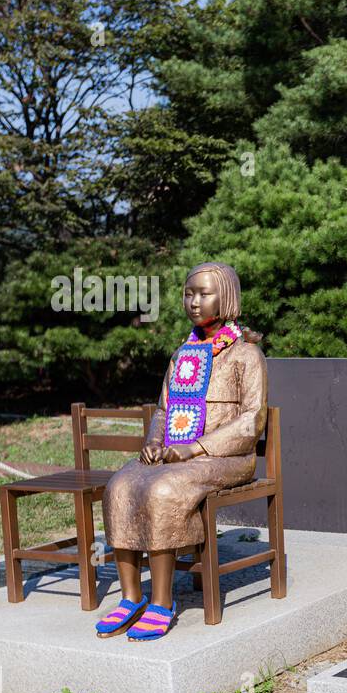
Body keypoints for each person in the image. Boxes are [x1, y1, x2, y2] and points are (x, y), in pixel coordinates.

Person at [95, 262, 267, 641]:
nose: (194, 301)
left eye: (204, 294)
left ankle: (161, 601)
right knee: (120, 486)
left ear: (228, 296)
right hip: (176, 454)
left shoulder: (246, 355)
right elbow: (163, 409)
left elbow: (251, 421)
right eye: (189, 294)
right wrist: (155, 442)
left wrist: (194, 448)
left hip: (226, 458)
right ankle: (130, 596)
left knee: (162, 491)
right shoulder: (182, 354)